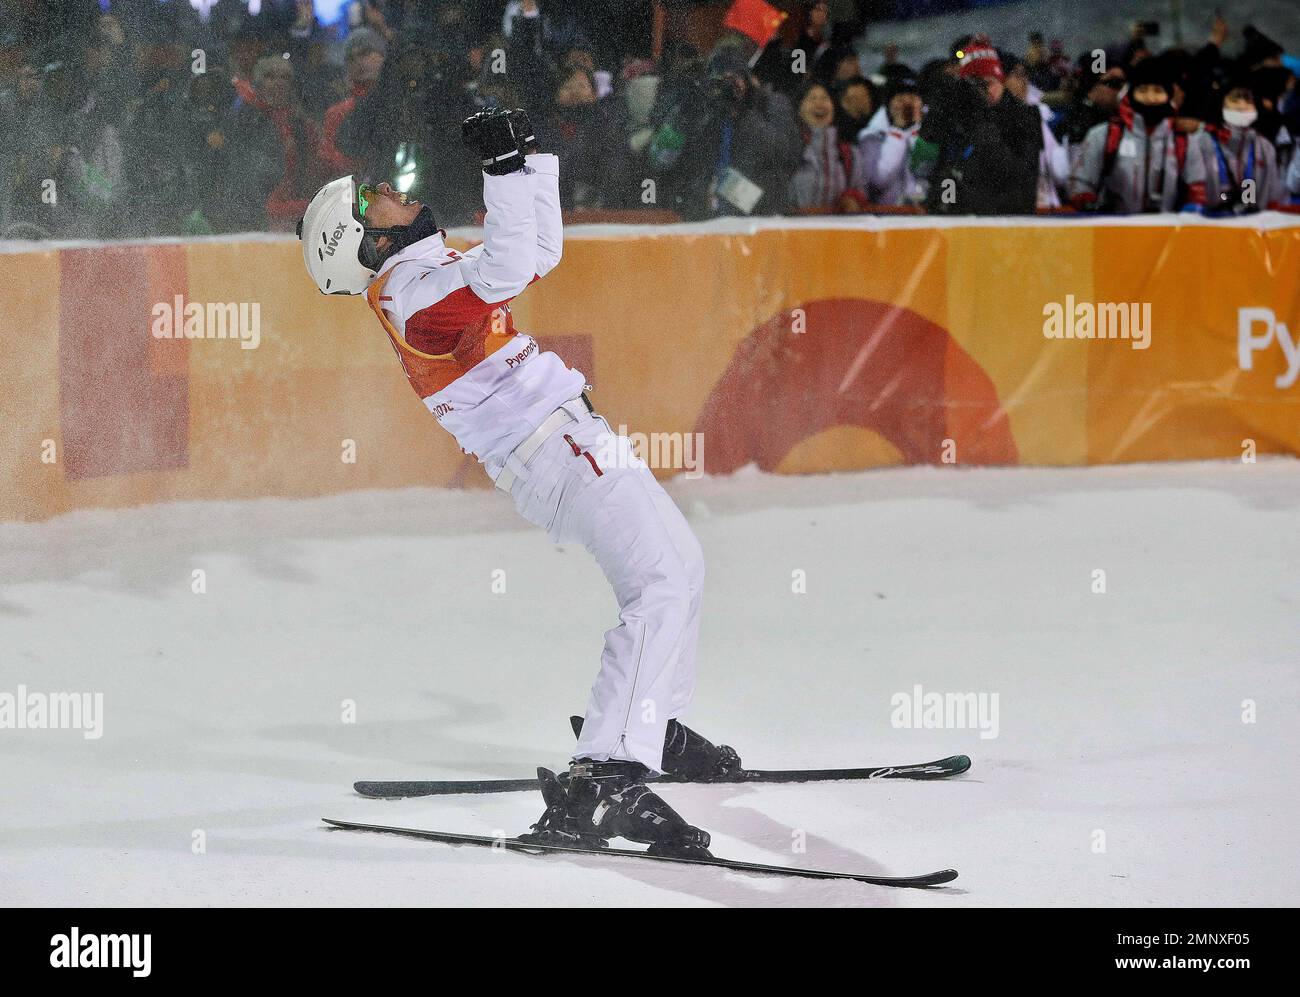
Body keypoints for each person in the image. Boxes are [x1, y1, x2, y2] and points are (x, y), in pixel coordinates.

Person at [296, 108, 739, 855]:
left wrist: (529, 163)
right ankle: (603, 775)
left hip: (566, 443)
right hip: (558, 449)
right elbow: (506, 268)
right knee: (661, 582)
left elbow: (535, 254)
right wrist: (501, 170)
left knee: (678, 570)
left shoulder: (422, 275)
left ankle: (643, 724)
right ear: (368, 241)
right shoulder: (412, 294)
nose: (392, 191)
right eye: (374, 200)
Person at [1068, 54, 1207, 214]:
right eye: (1143, 90)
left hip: (1169, 232)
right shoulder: (1105, 135)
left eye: (1158, 90)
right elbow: (1080, 181)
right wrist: (1088, 203)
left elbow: (1197, 185)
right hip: (1115, 230)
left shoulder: (1183, 139)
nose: (1150, 97)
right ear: (1132, 93)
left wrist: (1192, 210)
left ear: (1168, 95)